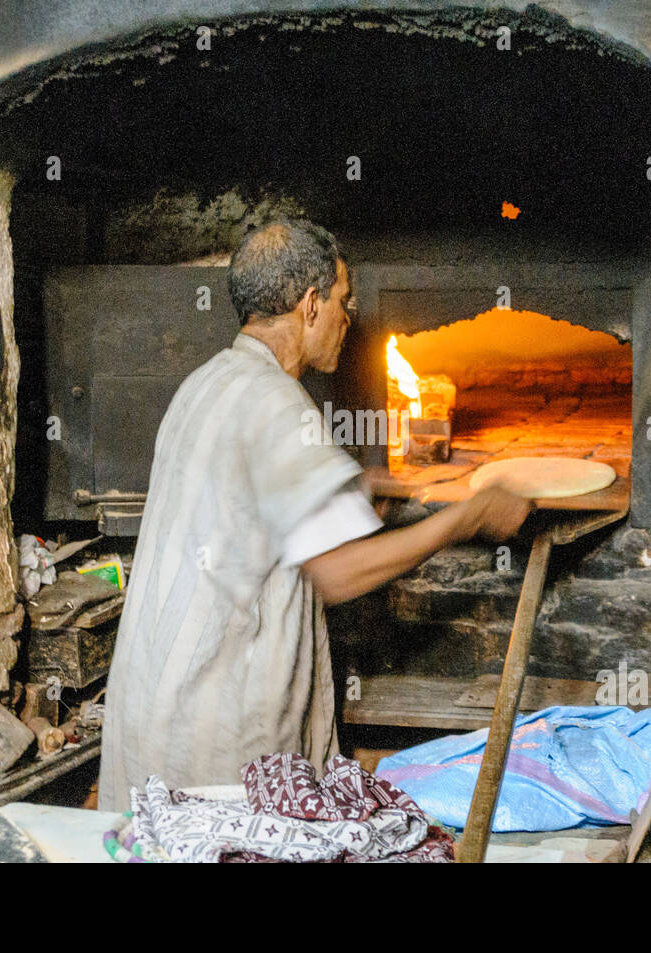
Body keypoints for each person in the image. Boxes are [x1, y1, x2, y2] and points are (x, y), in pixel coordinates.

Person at [98, 219, 530, 809]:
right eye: (343, 304)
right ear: (309, 305)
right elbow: (337, 573)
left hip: (153, 705)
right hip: (215, 731)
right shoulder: (278, 402)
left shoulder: (206, 382)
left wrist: (350, 488)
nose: (348, 320)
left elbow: (248, 508)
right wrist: (468, 517)